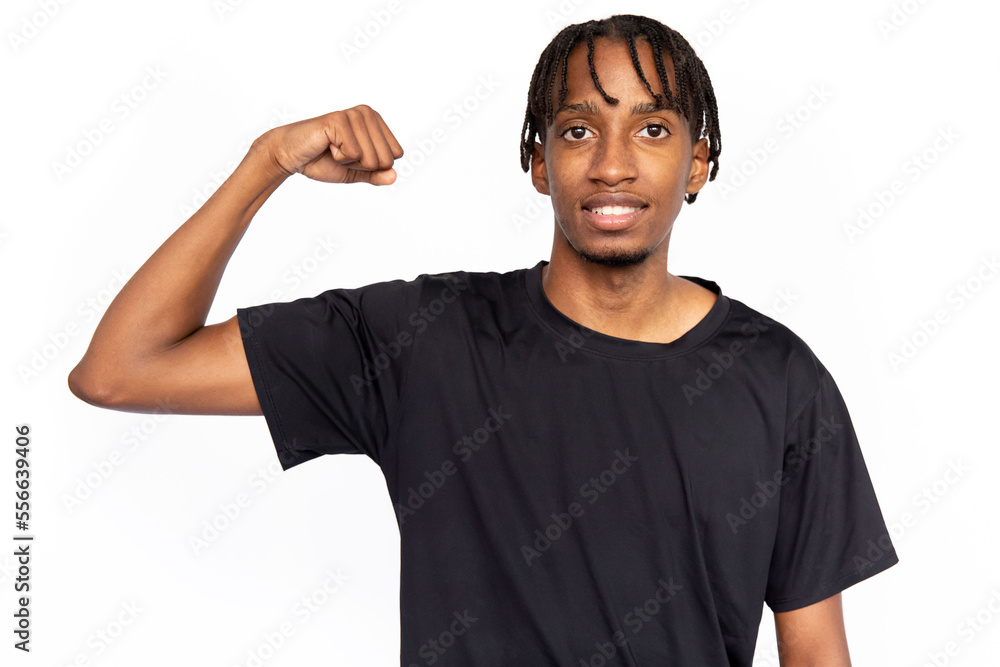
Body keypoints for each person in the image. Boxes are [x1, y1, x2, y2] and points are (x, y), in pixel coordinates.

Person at [68, 13, 897, 666]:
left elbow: (817, 651)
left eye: (651, 129)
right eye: (578, 130)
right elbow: (119, 369)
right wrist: (266, 163)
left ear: (698, 164)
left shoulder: (780, 378)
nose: (612, 163)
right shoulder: (423, 341)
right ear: (538, 162)